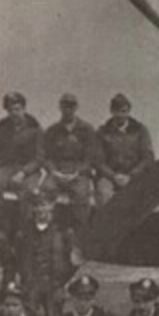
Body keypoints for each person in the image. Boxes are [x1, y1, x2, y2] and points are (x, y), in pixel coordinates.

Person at [14, 191, 81, 316]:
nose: (40, 209)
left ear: (52, 206)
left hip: (55, 286)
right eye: (37, 206)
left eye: (44, 205)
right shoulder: (24, 232)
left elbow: (75, 262)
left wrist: (65, 283)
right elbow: (18, 259)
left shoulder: (64, 232)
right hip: (32, 286)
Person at [41, 93, 102, 227]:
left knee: (81, 195)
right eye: (65, 106)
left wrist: (77, 172)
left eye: (71, 106)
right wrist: (54, 171)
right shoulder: (53, 130)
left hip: (79, 172)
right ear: (60, 107)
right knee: (46, 190)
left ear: (76, 108)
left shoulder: (87, 129)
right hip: (58, 170)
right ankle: (46, 230)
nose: (68, 109)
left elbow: (90, 157)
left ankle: (81, 231)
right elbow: (46, 156)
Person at [95, 93, 155, 207]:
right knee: (104, 194)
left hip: (134, 176)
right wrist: (113, 176)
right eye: (117, 111)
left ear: (129, 111)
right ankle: (109, 224)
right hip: (109, 177)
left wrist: (131, 175)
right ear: (111, 111)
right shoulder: (102, 132)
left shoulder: (140, 131)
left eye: (124, 111)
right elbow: (98, 161)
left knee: (141, 198)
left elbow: (147, 157)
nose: (121, 115)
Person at [0, 92, 44, 212]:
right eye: (10, 110)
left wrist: (23, 172)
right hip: (7, 168)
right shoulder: (1, 127)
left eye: (17, 109)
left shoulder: (34, 127)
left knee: (29, 192)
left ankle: (26, 228)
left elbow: (39, 158)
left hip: (28, 170)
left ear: (24, 109)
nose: (14, 113)